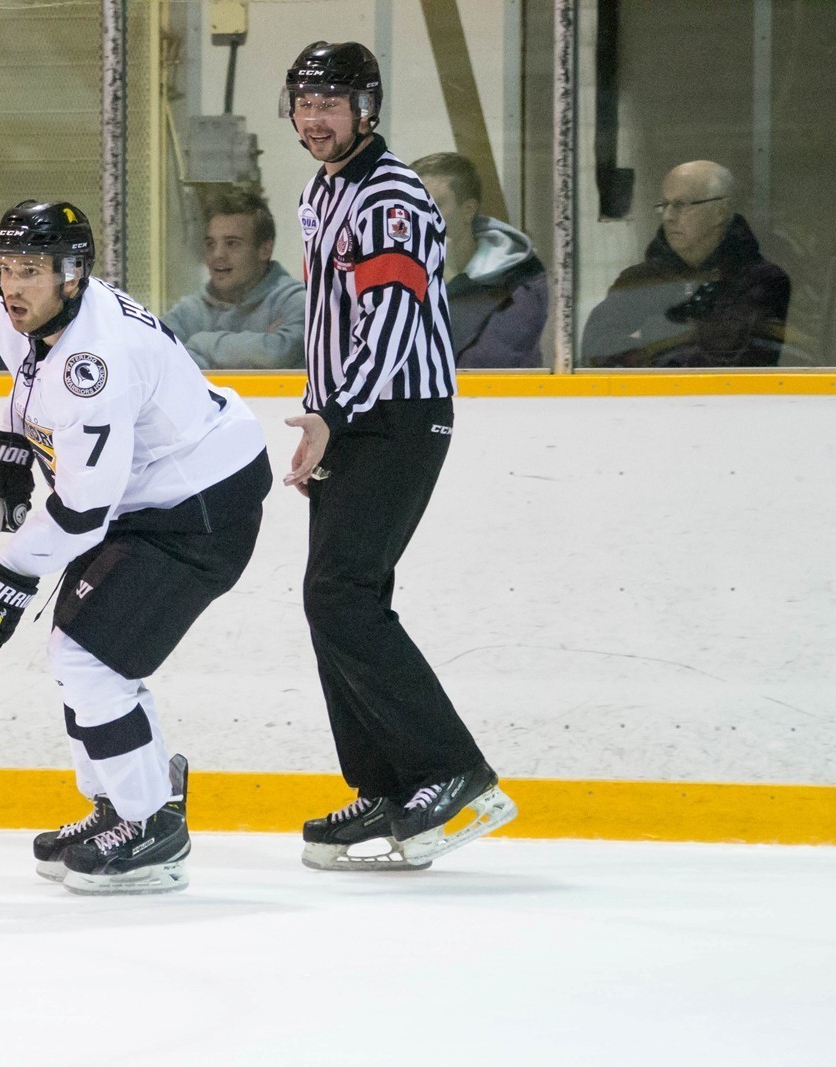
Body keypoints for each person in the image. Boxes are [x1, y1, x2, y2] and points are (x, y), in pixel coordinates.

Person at [0, 200, 270, 894]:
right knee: (77, 649)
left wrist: (4, 574)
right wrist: (8, 441)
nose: (13, 285)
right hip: (146, 496)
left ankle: (152, 824)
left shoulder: (96, 361)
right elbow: (30, 382)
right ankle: (124, 804)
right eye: (5, 267)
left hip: (200, 505)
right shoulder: (24, 320)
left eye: (31, 270)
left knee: (89, 659)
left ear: (72, 275)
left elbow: (83, 511)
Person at [280, 41, 515, 871]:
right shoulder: (323, 190)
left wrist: (332, 415)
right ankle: (385, 785)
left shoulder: (389, 192)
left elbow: (388, 322)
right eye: (305, 103)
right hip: (351, 418)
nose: (315, 119)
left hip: (397, 415)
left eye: (331, 103)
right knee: (334, 596)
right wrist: (323, 412)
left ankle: (452, 769)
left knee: (341, 593)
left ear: (367, 109)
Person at [582, 161, 791, 368]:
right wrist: (652, 363)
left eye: (680, 205)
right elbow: (597, 343)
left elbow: (748, 366)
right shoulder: (641, 279)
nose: (668, 216)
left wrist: (657, 361)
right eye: (664, 205)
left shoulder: (763, 283)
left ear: (720, 211)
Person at [410, 152, 547, 368]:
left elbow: (486, 362)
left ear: (468, 211)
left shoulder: (520, 283)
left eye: (433, 206)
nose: (418, 217)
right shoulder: (392, 274)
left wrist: (453, 282)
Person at [161, 188, 305, 369]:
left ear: (264, 250)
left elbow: (279, 353)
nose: (218, 254)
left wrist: (200, 344)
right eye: (210, 244)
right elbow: (156, 358)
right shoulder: (189, 311)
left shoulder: (295, 302)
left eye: (232, 243)